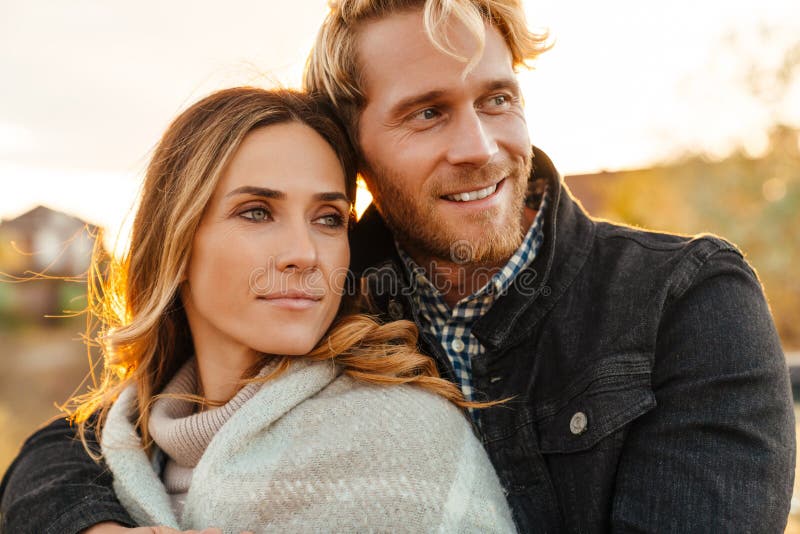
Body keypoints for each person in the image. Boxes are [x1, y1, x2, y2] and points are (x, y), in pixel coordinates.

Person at [0, 0, 795, 532]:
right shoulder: (321, 289)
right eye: (427, 112)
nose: (480, 148)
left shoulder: (681, 300)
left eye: (497, 99)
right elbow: (81, 444)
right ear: (357, 149)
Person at [0, 86, 517, 533]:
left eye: (329, 218)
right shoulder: (121, 444)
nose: (304, 253)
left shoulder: (405, 440)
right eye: (257, 212)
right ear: (175, 246)